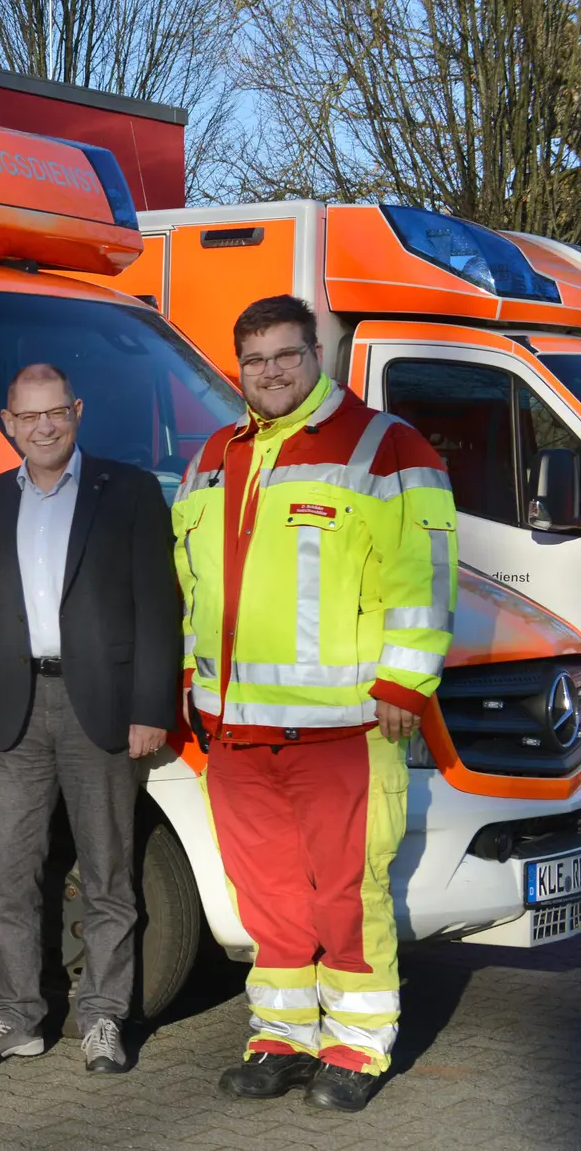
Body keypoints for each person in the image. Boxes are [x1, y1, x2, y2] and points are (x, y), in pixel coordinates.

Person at [177, 295, 455, 1113]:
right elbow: (190, 584)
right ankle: (282, 1037)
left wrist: (407, 682)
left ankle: (357, 1048)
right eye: (254, 360)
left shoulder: (385, 447)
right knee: (266, 893)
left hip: (343, 726)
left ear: (319, 353)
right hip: (236, 729)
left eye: (285, 355)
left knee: (348, 889)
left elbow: (424, 577)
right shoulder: (211, 456)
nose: (269, 373)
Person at [0, 365, 181, 1073]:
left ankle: (103, 1019)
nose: (45, 426)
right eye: (30, 415)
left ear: (77, 412)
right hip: (16, 711)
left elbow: (158, 608)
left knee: (110, 873)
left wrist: (151, 707)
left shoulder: (130, 491)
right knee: (12, 876)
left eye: (57, 412)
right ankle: (19, 1016)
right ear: (9, 421)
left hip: (101, 709)